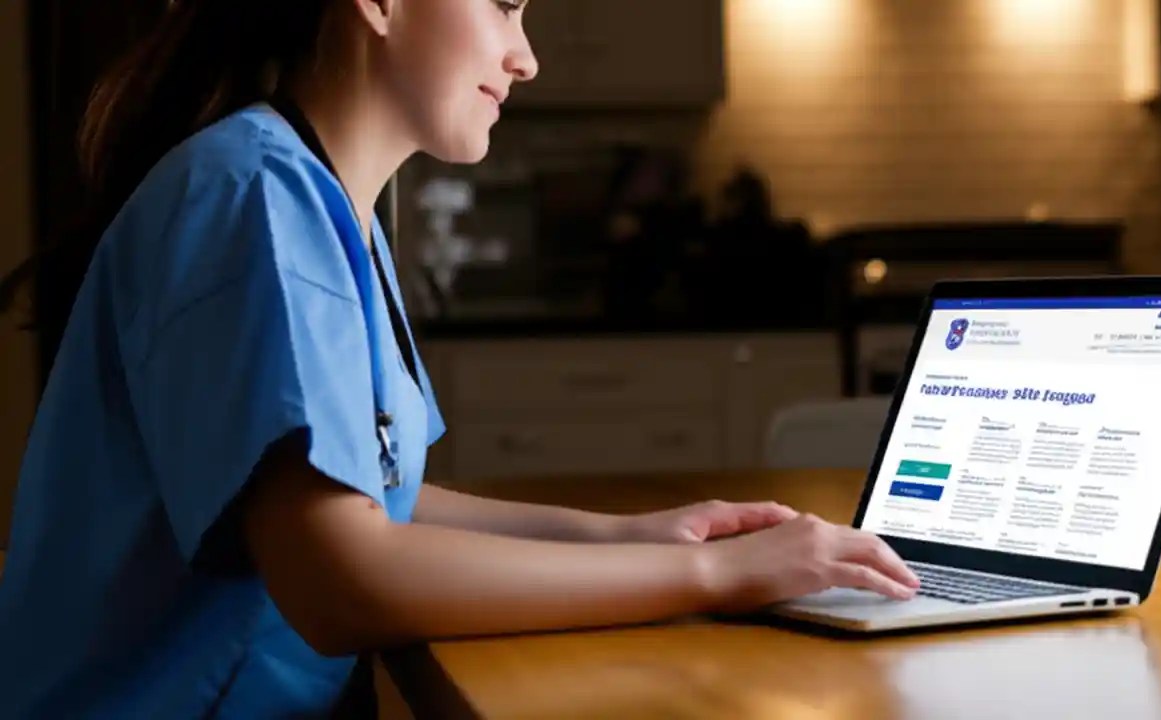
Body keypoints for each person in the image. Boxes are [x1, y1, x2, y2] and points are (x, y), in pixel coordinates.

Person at [0, 0, 919, 716]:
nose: (526, 57)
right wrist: (712, 577)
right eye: (506, 7)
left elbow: (369, 494)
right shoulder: (253, 196)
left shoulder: (324, 204)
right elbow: (341, 578)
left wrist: (634, 535)